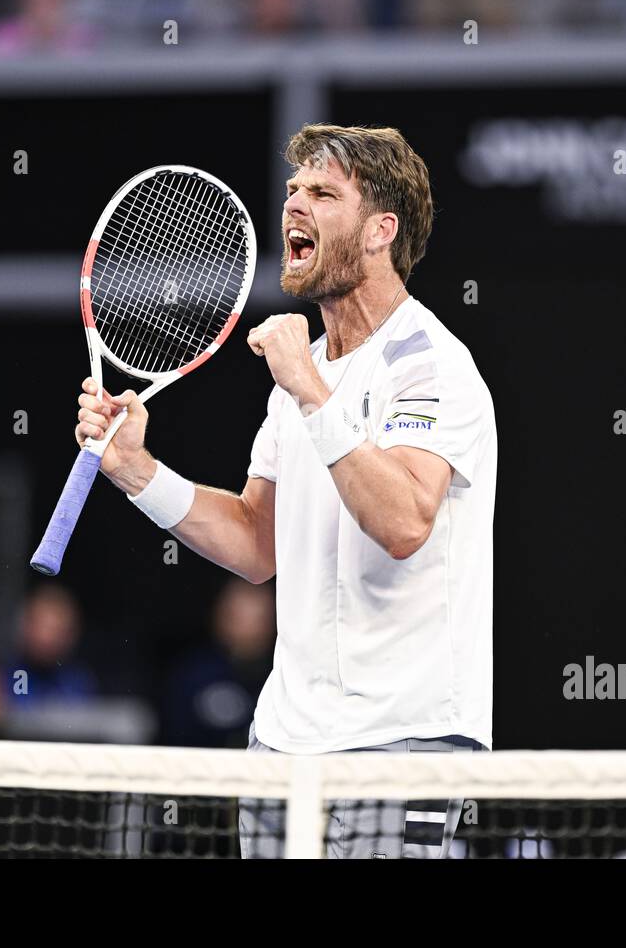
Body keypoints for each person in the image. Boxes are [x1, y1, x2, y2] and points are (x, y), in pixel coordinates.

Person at [73, 124, 497, 858]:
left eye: (323, 194)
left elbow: (402, 523)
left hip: (402, 739)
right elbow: (255, 542)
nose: (294, 206)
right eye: (293, 190)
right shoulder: (296, 386)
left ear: (379, 232)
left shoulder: (432, 366)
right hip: (283, 746)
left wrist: (307, 387)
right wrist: (138, 471)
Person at [162, 578, 275, 748]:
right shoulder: (194, 675)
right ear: (221, 617)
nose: (251, 631)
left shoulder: (285, 678)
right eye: (240, 618)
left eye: (260, 619)